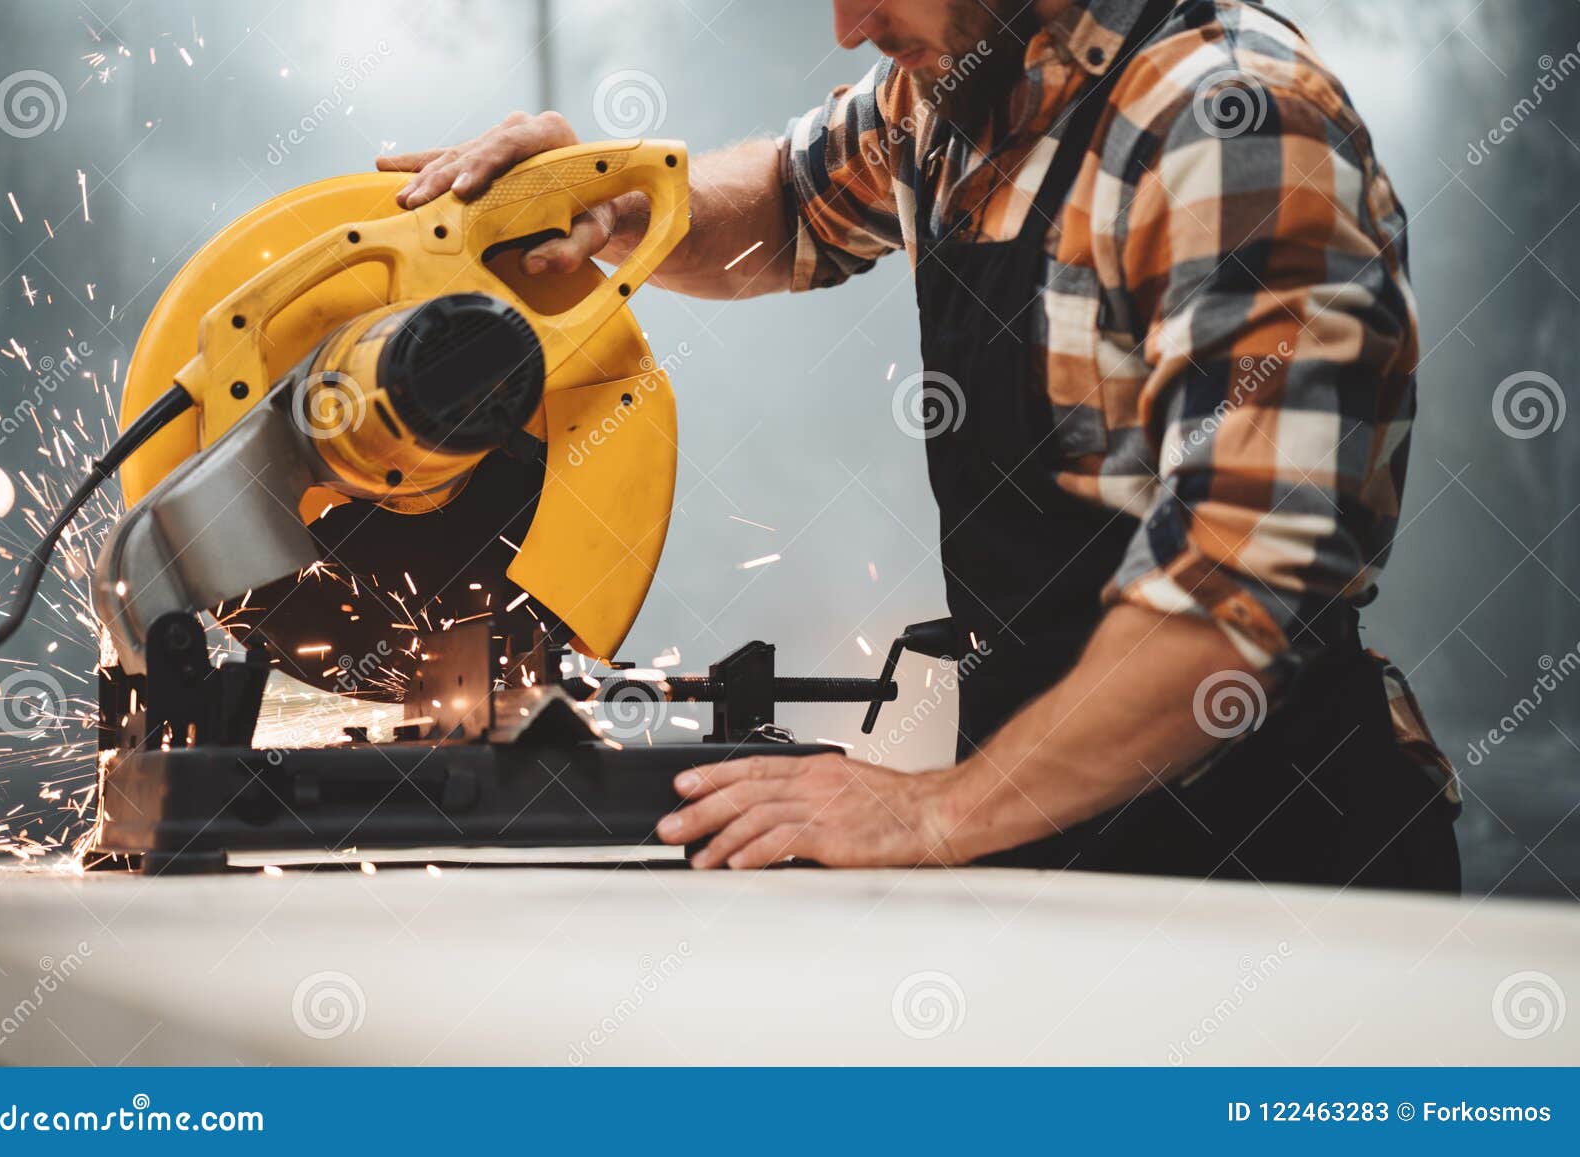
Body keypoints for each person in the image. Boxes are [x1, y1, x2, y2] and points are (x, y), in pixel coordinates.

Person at [380, 0, 1460, 889]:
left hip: (1271, 863)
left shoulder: (1230, 125)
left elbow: (1241, 596)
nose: (848, 26)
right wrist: (625, 203)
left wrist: (934, 810)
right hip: (1048, 833)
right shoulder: (956, 90)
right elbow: (788, 205)